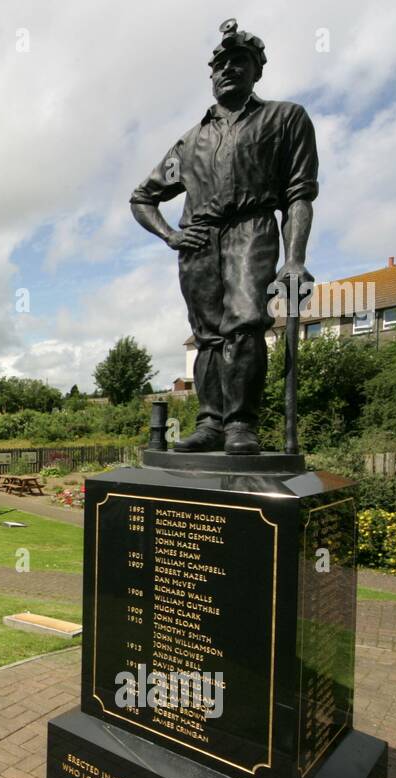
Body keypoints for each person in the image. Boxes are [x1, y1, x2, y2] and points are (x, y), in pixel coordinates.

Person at [129, 19, 318, 454]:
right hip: (197, 241)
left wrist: (294, 258)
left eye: (240, 61)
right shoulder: (190, 142)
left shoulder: (284, 118)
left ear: (257, 71)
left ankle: (241, 424)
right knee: (207, 334)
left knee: (245, 324)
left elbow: (298, 195)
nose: (229, 69)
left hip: (251, 226)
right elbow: (143, 198)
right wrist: (170, 236)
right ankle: (211, 421)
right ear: (211, 75)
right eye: (221, 64)